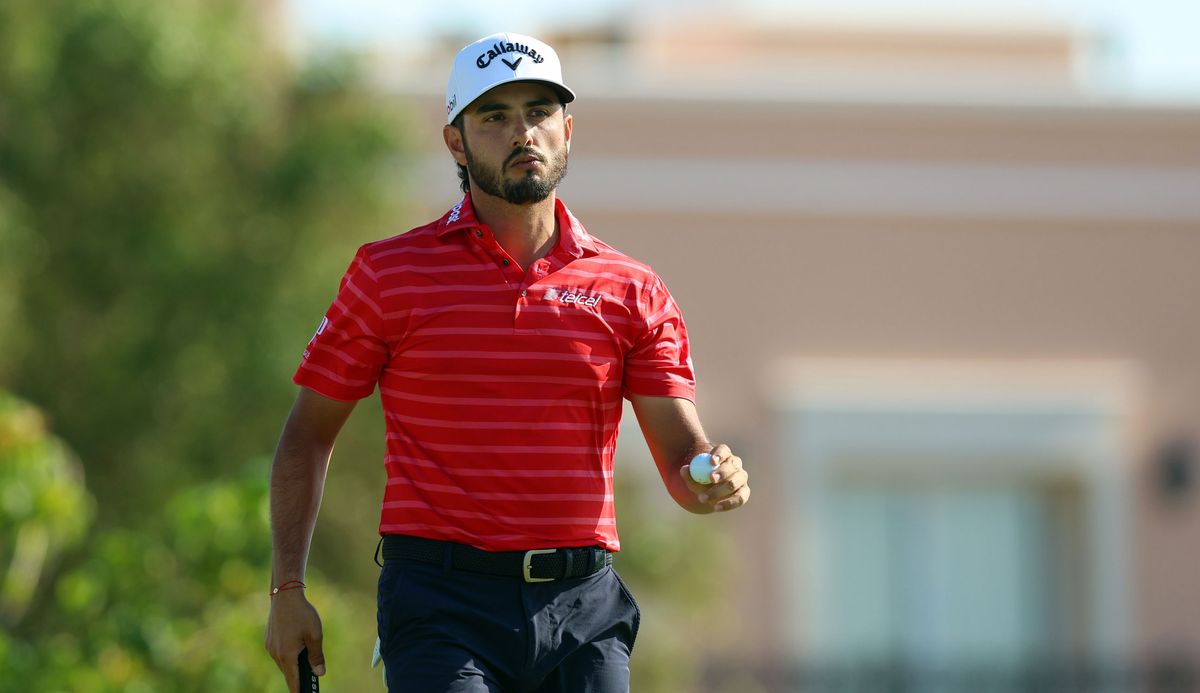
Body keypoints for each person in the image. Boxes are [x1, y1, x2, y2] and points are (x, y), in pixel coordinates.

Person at [264, 31, 750, 693]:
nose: (523, 132)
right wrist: (287, 588)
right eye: (494, 116)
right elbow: (307, 434)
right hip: (441, 604)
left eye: (539, 112)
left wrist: (708, 475)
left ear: (568, 130)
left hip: (584, 604)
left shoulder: (631, 289)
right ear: (456, 142)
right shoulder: (389, 274)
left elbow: (678, 455)